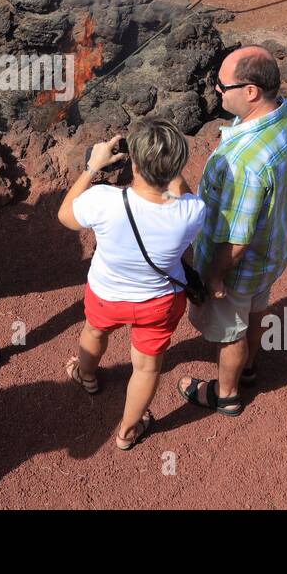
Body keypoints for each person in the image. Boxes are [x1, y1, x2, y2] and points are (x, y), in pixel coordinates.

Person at [176, 47, 287, 415]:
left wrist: (215, 276)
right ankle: (250, 368)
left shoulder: (242, 164)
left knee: (230, 330)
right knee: (255, 311)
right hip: (276, 246)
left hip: (239, 264)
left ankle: (227, 394)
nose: (217, 91)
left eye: (222, 86)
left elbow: (236, 239)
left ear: (251, 91)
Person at [57, 120, 205, 450]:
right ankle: (126, 432)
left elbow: (65, 215)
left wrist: (92, 167)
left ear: (133, 164)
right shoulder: (191, 212)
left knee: (94, 331)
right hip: (159, 302)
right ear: (177, 167)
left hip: (106, 293)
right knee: (147, 367)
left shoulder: (103, 200)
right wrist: (172, 172)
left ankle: (87, 375)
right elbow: (183, 194)